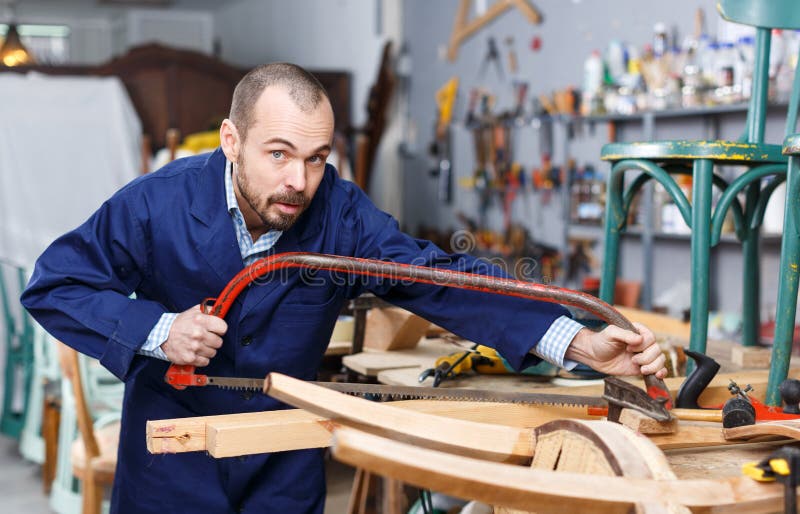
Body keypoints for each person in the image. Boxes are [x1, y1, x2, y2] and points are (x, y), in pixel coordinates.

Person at [22, 63, 666, 514]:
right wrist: (161, 331)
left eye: (316, 158)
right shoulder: (154, 204)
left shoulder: (341, 214)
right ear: (231, 141)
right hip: (172, 465)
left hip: (284, 466)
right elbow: (55, 284)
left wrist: (580, 343)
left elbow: (440, 281)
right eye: (278, 154)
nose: (299, 182)